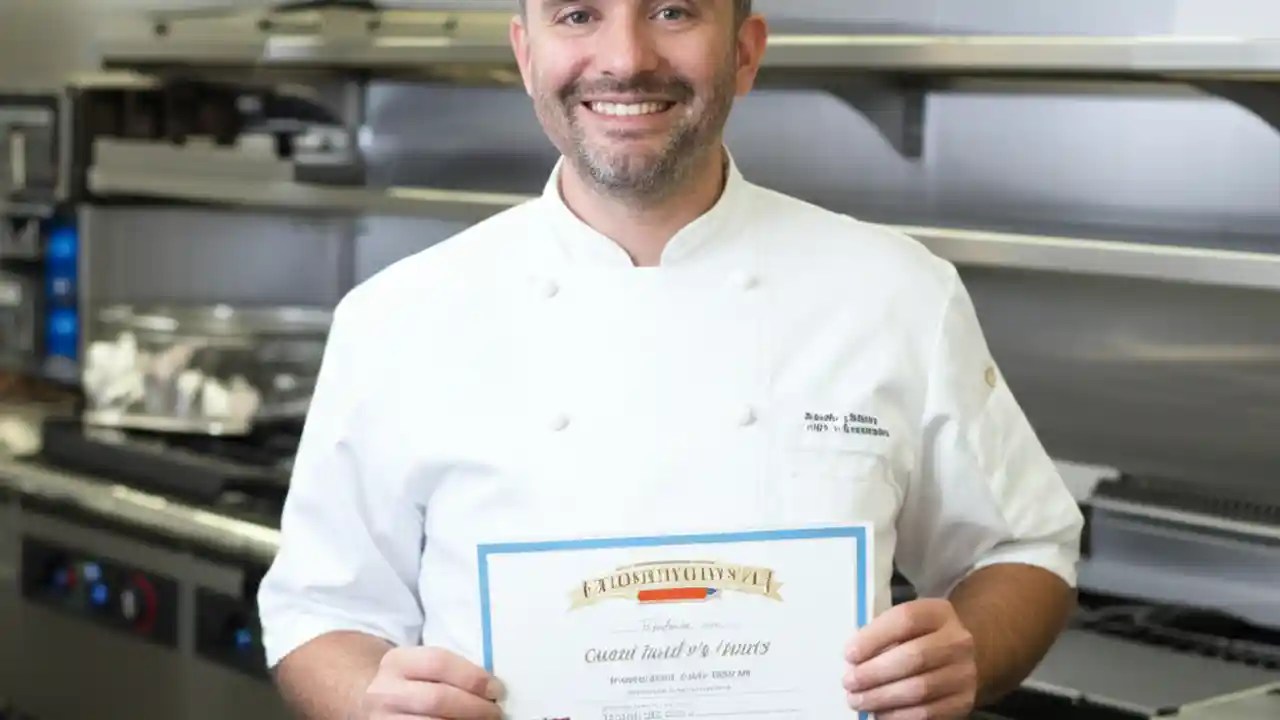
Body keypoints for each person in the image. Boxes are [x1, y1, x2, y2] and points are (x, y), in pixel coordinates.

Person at [257, 1, 1085, 718]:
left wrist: (966, 651)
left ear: (745, 51)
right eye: (578, 15)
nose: (624, 59)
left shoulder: (895, 291)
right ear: (526, 54)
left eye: (674, 12)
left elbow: (1023, 550)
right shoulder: (398, 316)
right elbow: (319, 613)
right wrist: (371, 700)